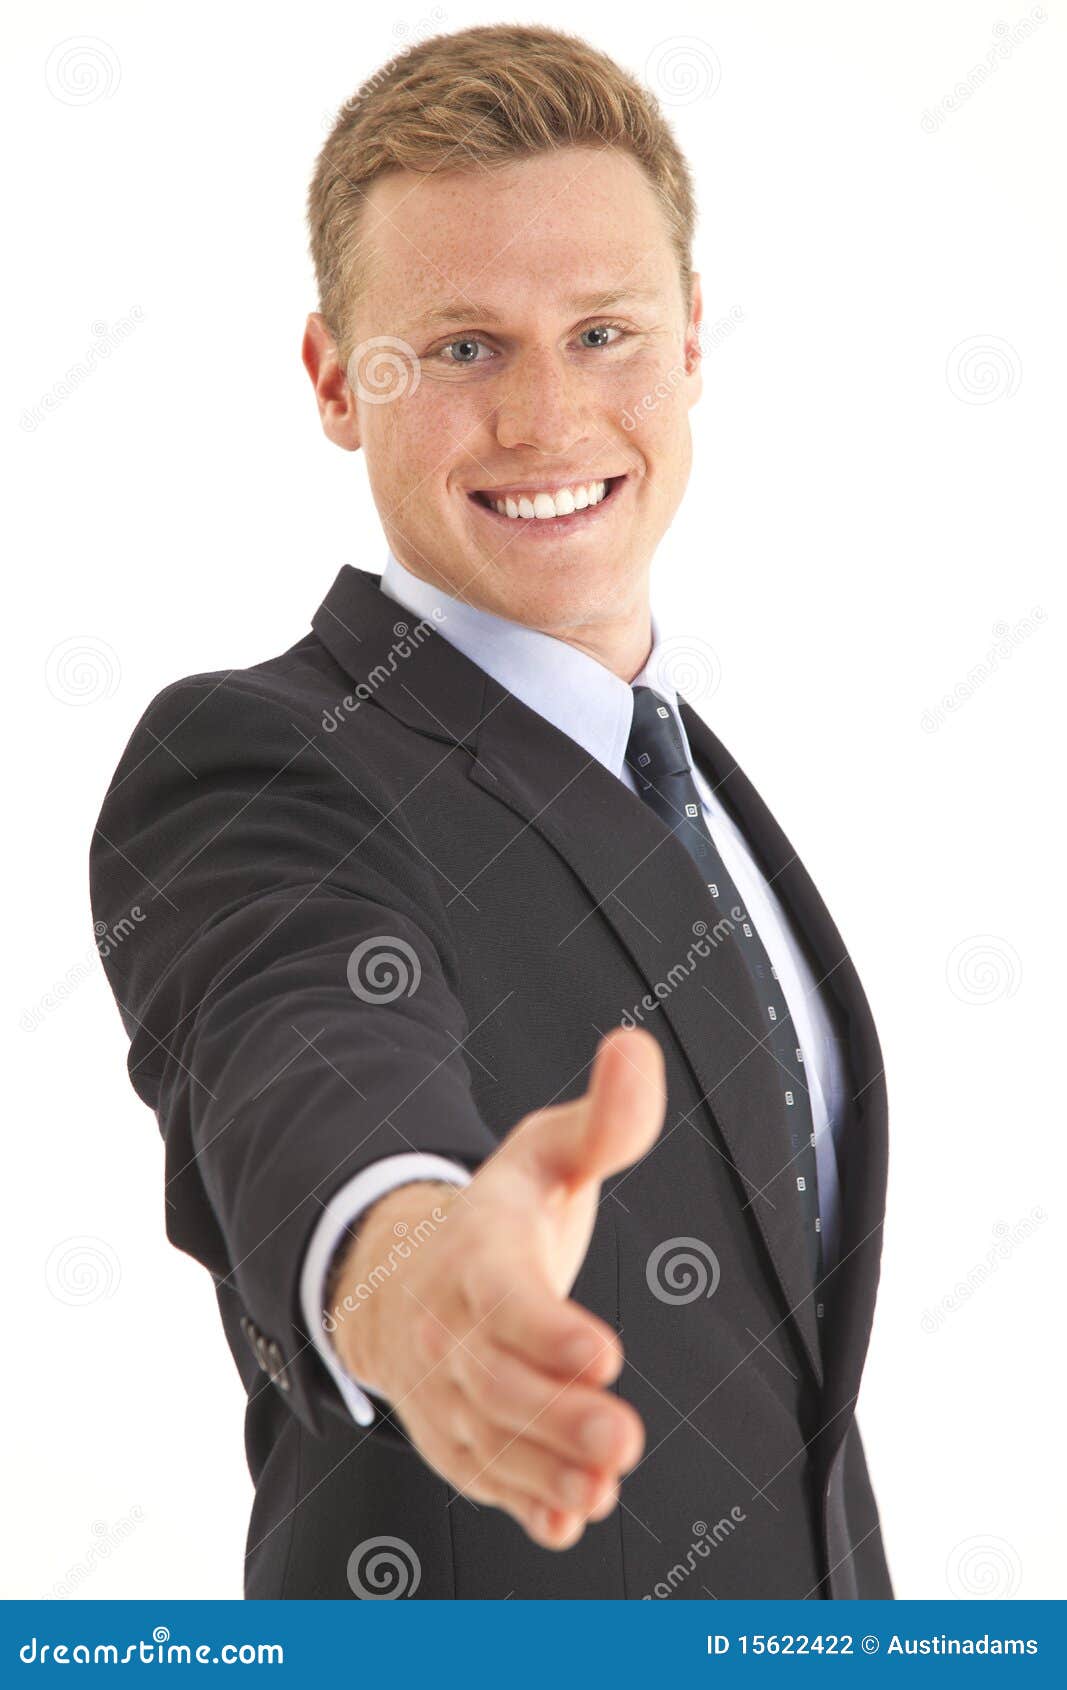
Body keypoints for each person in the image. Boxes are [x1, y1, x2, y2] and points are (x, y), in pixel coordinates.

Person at [90, 22, 892, 1600]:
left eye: (603, 331)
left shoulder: (696, 780)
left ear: (692, 343)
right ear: (335, 379)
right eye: (463, 346)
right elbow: (299, 1054)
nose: (544, 417)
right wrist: (420, 1268)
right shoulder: (259, 760)